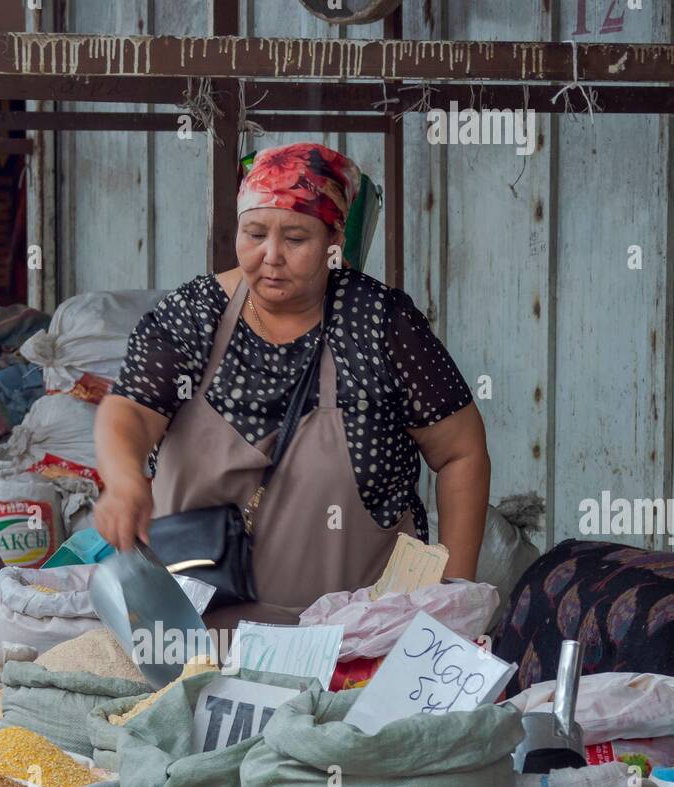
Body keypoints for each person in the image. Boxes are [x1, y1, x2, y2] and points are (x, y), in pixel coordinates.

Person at [95, 142, 490, 632]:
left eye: (297, 238)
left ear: (334, 239)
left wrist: (453, 598)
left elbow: (461, 453)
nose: (271, 256)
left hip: (354, 639)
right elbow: (129, 409)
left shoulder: (381, 323)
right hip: (193, 637)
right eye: (254, 233)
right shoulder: (194, 314)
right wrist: (124, 479)